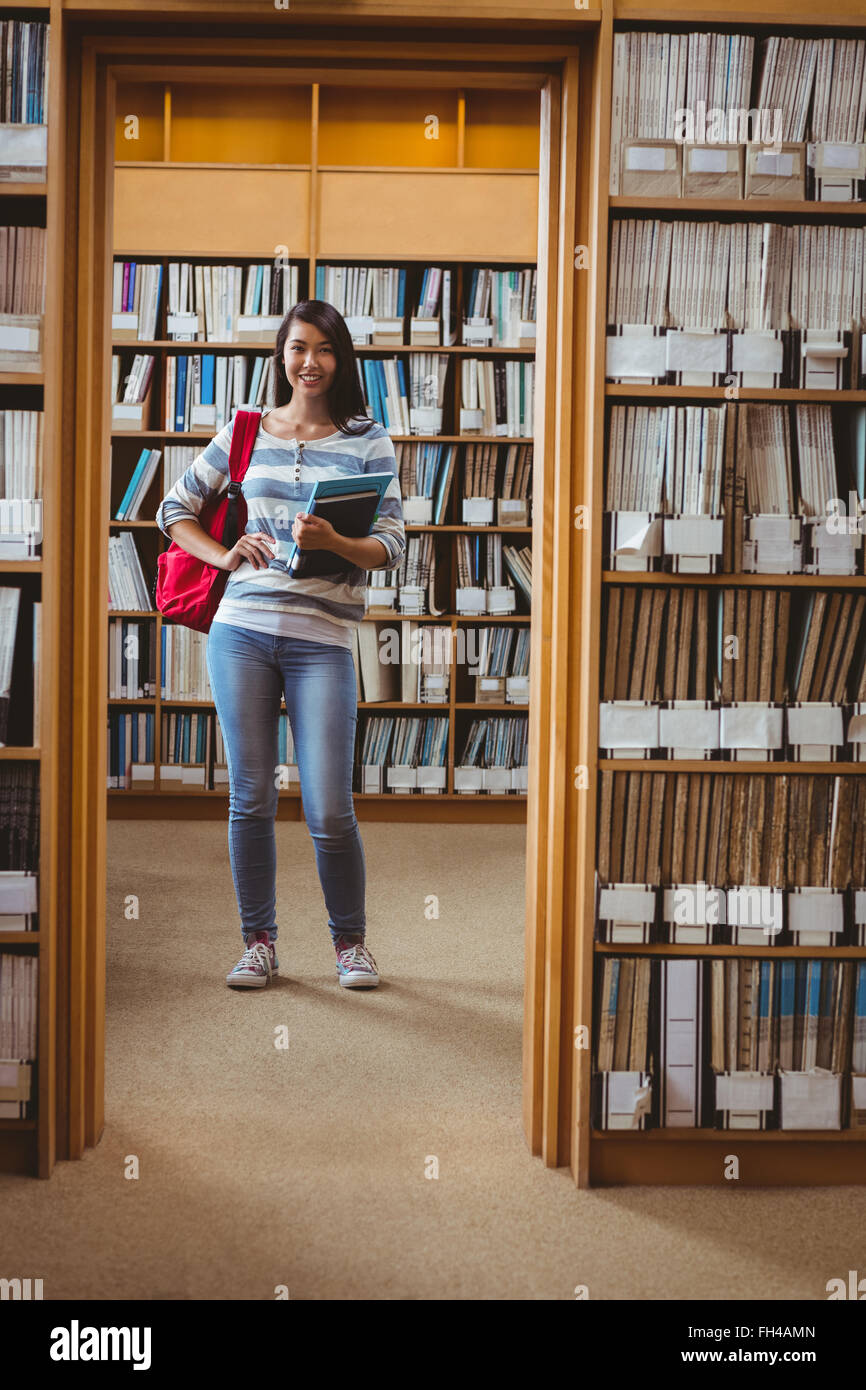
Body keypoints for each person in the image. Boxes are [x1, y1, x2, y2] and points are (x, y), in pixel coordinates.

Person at [155, 299, 406, 991]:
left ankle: (350, 943)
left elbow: (391, 545)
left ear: (341, 357)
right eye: (298, 347)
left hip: (322, 639)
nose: (311, 362)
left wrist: (335, 542)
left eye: (325, 349)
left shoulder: (368, 439)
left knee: (328, 805)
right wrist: (225, 554)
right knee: (251, 798)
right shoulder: (243, 430)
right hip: (241, 632)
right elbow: (171, 510)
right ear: (281, 355)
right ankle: (258, 942)